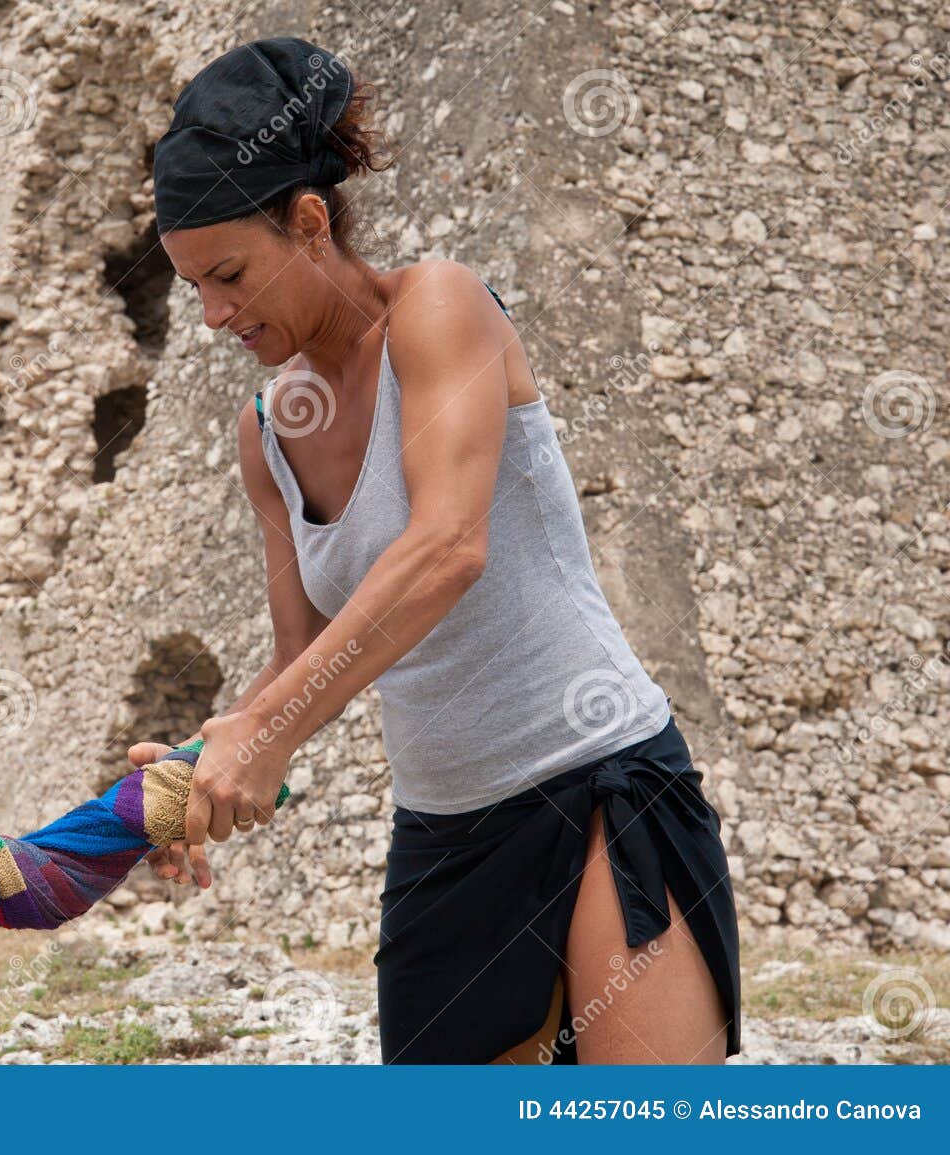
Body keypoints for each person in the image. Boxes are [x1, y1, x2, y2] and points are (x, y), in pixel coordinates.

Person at [133, 36, 740, 1064]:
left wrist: (267, 735)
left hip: (599, 781)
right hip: (444, 836)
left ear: (310, 222)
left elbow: (448, 546)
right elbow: (301, 653)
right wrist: (208, 757)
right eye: (192, 286)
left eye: (227, 275)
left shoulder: (439, 306)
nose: (212, 315)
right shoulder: (265, 435)